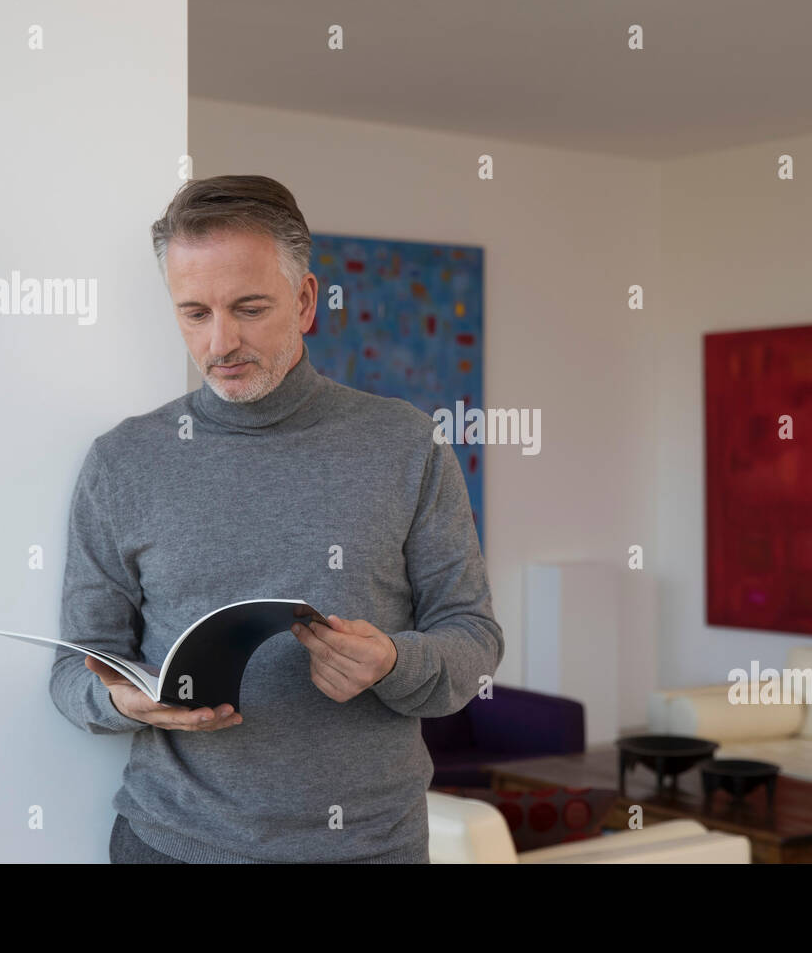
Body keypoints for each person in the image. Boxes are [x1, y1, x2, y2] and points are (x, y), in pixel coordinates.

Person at [49, 174, 504, 863]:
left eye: (249, 308)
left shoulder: (405, 444)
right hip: (172, 846)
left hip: (370, 849)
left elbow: (473, 640)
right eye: (194, 313)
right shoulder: (123, 462)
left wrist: (392, 662)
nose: (220, 342)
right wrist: (123, 702)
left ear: (305, 299)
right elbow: (73, 671)